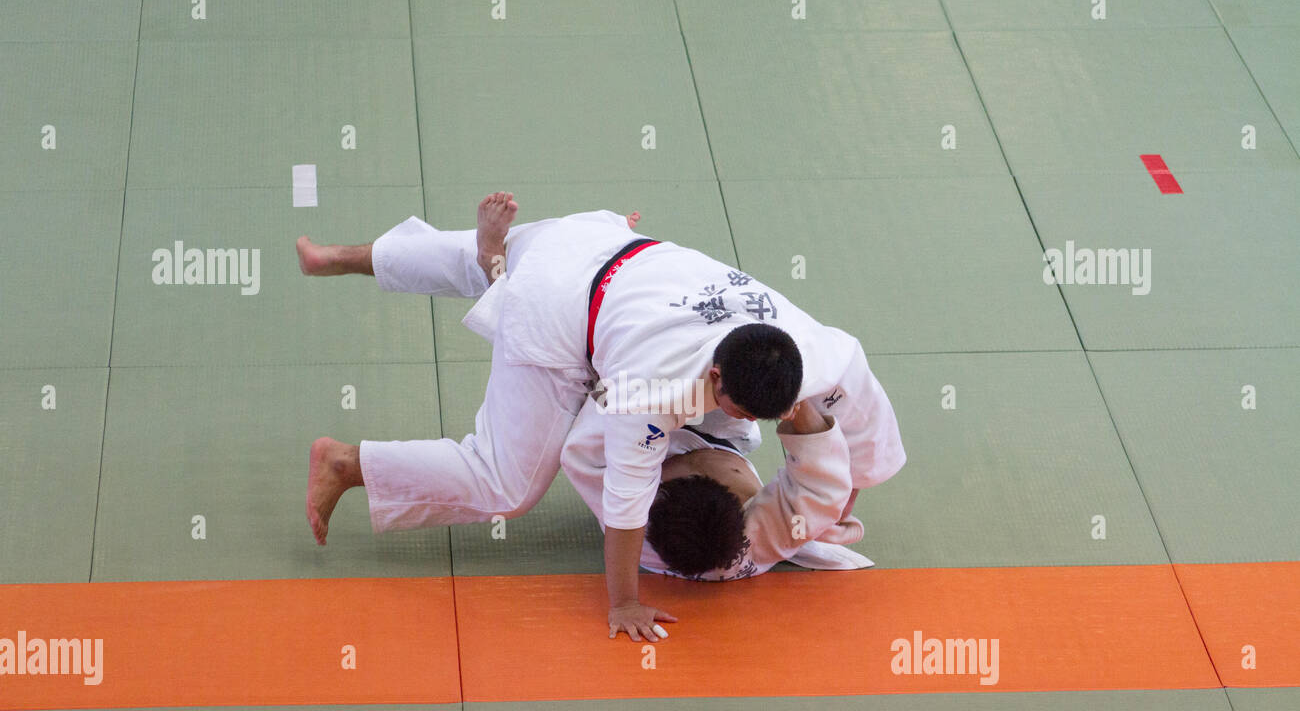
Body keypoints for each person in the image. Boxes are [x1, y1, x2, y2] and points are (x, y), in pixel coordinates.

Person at [298, 193, 905, 640]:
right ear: (716, 377)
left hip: (596, 241)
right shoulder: (651, 393)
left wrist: (850, 495)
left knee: (498, 261)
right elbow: (626, 501)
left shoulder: (816, 352)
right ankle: (347, 464)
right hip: (559, 309)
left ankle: (341, 257)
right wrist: (622, 603)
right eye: (744, 410)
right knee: (503, 482)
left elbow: (866, 423)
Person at [561, 393, 874, 588]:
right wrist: (794, 399)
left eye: (678, 474)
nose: (692, 465)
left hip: (641, 437)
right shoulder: (765, 536)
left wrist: (618, 381)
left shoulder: (626, 513)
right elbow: (824, 481)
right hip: (724, 436)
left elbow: (583, 443)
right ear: (745, 516)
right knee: (734, 379)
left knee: (618, 382)